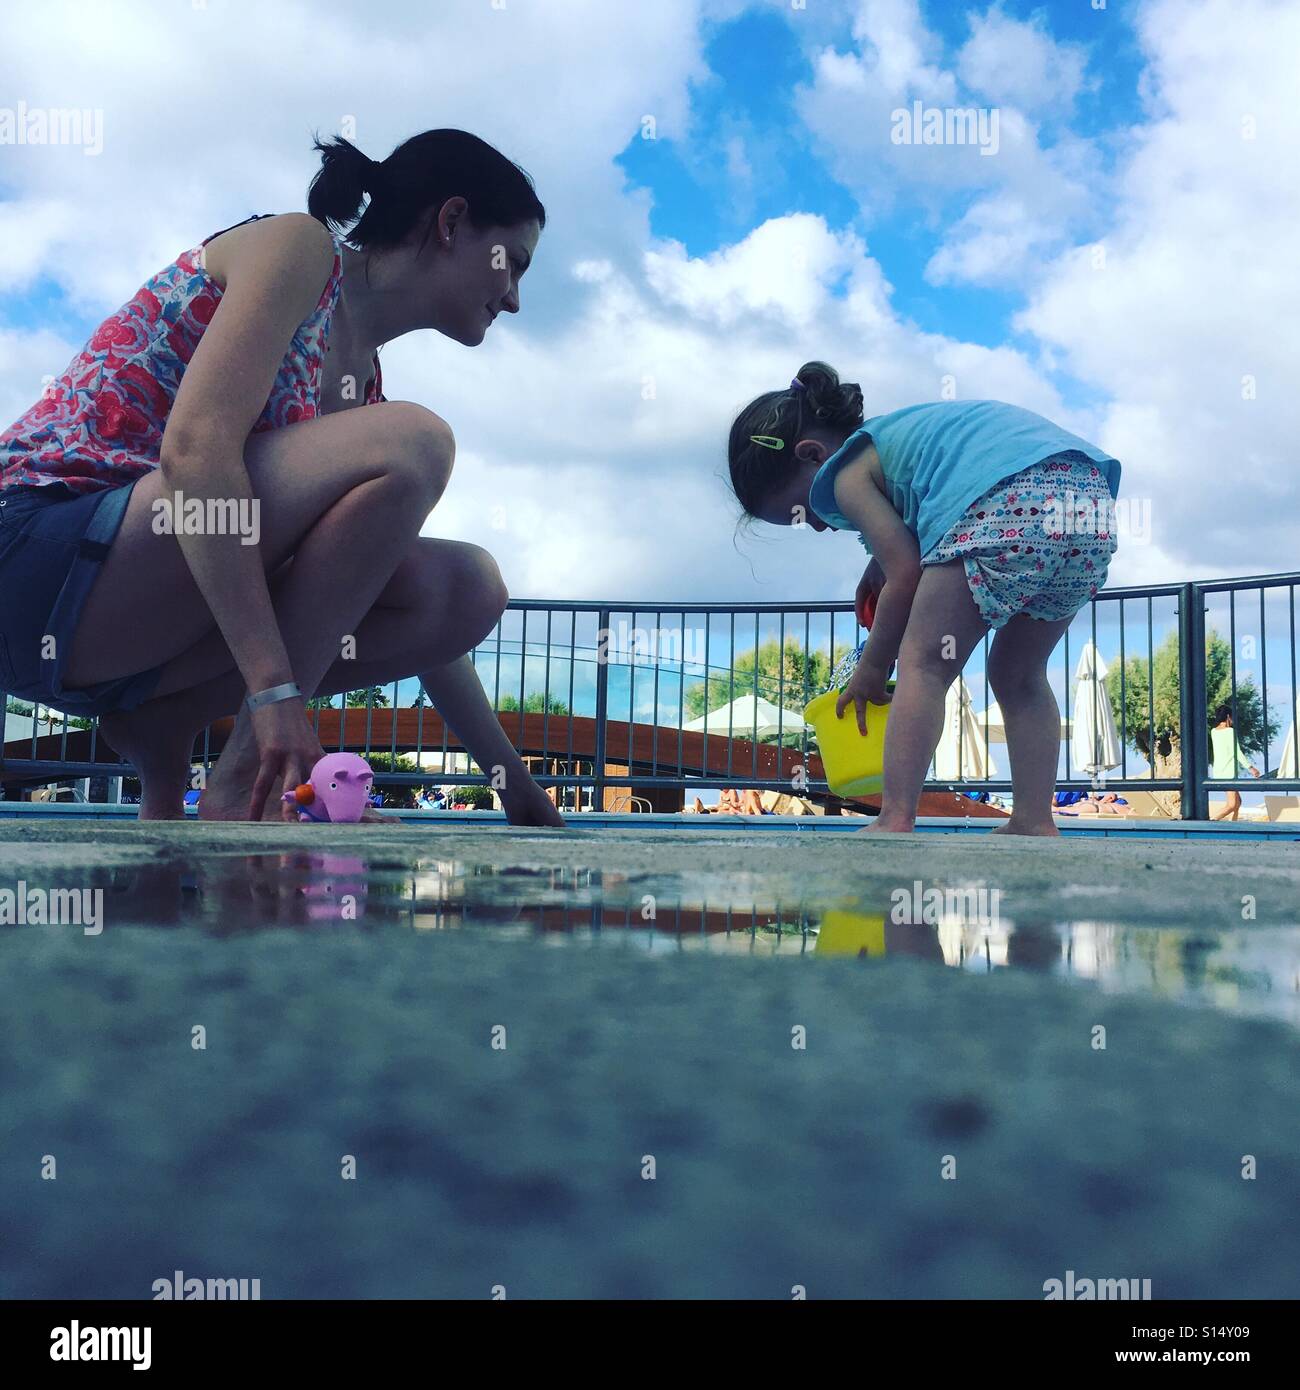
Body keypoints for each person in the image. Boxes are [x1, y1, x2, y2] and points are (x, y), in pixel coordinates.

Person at [0, 129, 563, 828]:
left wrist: (516, 788)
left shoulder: (362, 395)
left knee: (467, 590)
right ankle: (245, 779)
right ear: (451, 221)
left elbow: (387, 609)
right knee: (416, 441)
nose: (513, 299)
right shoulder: (299, 248)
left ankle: (166, 720)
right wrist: (274, 697)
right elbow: (196, 453)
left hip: (122, 626)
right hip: (31, 555)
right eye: (513, 264)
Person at [728, 362, 1121, 835]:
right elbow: (917, 519)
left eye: (802, 511)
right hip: (1087, 504)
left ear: (813, 455)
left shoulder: (845, 473)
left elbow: (906, 573)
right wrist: (878, 562)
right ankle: (1034, 820)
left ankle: (895, 816)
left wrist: (873, 667)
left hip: (1009, 500)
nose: (814, 524)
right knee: (1019, 675)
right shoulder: (898, 439)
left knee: (925, 666)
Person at [1209, 704, 1260, 820]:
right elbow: (1237, 752)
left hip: (1218, 772)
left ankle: (1233, 824)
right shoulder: (1229, 731)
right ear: (1228, 716)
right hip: (1228, 773)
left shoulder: (1213, 731)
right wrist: (1251, 768)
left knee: (1238, 802)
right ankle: (1210, 821)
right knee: (1232, 804)